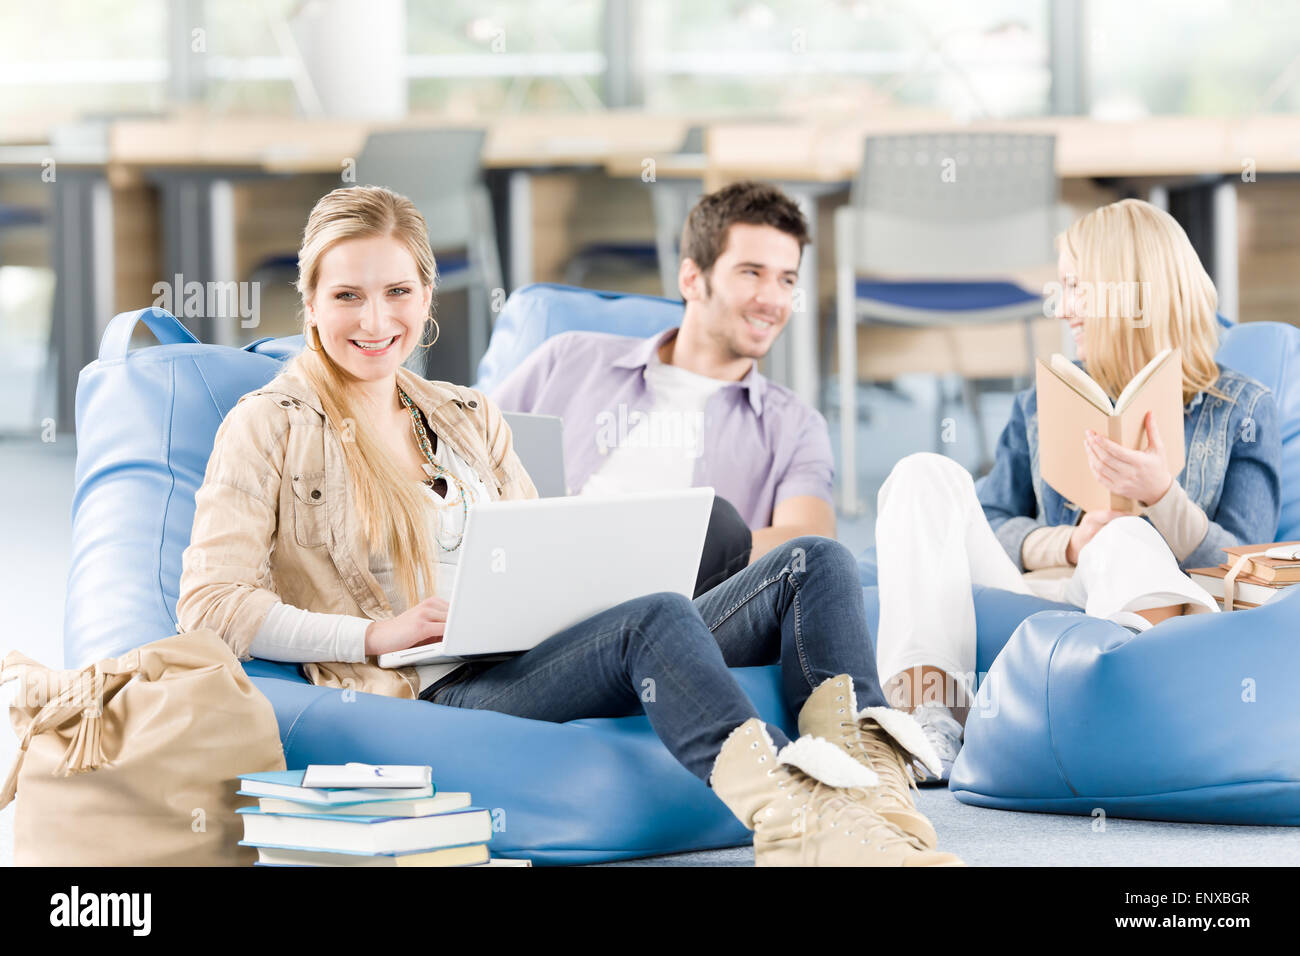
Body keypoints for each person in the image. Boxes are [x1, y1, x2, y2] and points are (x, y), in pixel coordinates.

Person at [176, 185, 962, 867]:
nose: (375, 320)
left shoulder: (465, 413)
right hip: (438, 688)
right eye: (347, 295)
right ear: (310, 302)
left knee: (813, 560)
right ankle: (793, 823)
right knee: (654, 619)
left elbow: (532, 547)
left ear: (426, 296)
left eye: (397, 293)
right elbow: (209, 607)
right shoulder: (269, 426)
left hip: (529, 647)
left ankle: (880, 810)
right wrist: (373, 638)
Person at [872, 198, 1282, 783]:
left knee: (1125, 536)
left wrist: (1161, 496)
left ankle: (1145, 713)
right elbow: (990, 517)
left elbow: (1253, 575)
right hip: (1045, 597)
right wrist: (1065, 542)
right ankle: (930, 719)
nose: (1064, 309)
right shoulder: (1043, 400)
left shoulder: (1241, 409)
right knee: (922, 473)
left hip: (1142, 609)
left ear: (1130, 291)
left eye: (1076, 288)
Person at [492, 181, 835, 596]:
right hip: (547, 586)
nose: (773, 300)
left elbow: (810, 545)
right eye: (751, 273)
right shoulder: (570, 359)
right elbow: (458, 455)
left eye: (786, 280)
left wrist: (671, 552)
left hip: (690, 608)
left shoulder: (793, 424)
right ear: (692, 279)